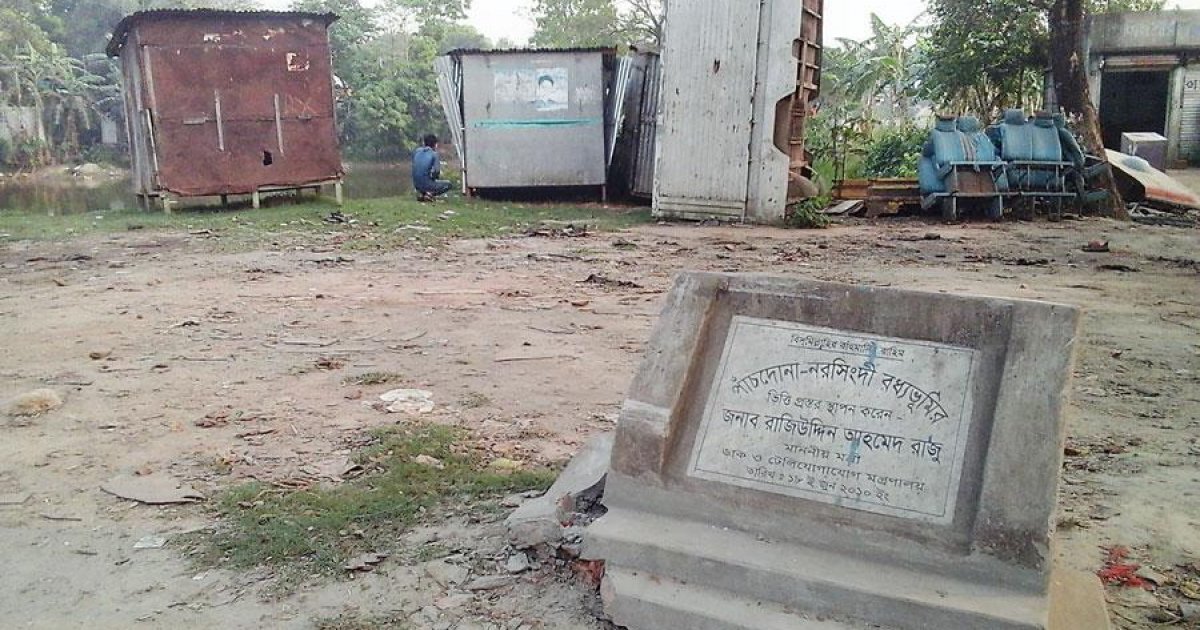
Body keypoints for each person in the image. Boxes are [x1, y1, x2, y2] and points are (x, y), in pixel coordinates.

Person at [412, 134, 451, 201]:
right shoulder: (434, 154)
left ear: (424, 143)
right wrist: (433, 178)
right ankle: (429, 195)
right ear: (435, 144)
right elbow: (437, 171)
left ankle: (423, 194)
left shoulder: (417, 151)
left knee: (424, 179)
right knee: (448, 184)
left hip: (416, 185)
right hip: (427, 184)